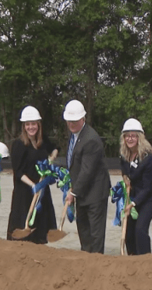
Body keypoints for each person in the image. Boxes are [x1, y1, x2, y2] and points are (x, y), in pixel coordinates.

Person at [63, 99, 111, 253]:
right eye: (69, 121)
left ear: (83, 118)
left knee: (95, 234)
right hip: (83, 192)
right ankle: (85, 261)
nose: (71, 124)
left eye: (74, 121)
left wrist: (73, 192)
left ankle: (96, 264)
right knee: (84, 231)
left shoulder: (90, 139)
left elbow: (87, 171)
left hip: (95, 193)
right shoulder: (75, 135)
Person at [7, 106, 59, 244]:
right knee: (24, 227)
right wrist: (34, 185)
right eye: (28, 124)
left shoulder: (42, 140)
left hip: (42, 191)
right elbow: (18, 172)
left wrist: (51, 158)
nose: (31, 127)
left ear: (38, 124)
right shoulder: (18, 144)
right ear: (24, 126)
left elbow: (55, 148)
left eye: (33, 124)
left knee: (41, 226)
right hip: (25, 191)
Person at [119, 118, 152, 255]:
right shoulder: (124, 155)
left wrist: (133, 203)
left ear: (139, 138)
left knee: (140, 229)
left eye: (133, 135)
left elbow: (148, 187)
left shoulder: (147, 158)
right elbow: (125, 171)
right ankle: (132, 257)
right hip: (135, 194)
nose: (130, 139)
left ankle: (145, 260)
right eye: (127, 135)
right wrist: (125, 178)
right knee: (128, 229)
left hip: (150, 197)